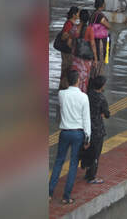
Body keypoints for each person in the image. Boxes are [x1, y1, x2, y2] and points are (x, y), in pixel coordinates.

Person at [50, 69, 89, 204]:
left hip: (65, 132)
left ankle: (49, 193)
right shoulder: (84, 97)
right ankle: (66, 197)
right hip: (78, 133)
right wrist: (87, 137)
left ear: (67, 81)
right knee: (73, 165)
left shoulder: (61, 94)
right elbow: (86, 120)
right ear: (78, 81)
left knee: (59, 161)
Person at [79, 75, 110, 185]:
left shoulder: (88, 95)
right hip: (97, 129)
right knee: (96, 153)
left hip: (86, 127)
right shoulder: (101, 98)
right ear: (101, 86)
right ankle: (91, 176)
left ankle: (87, 170)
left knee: (89, 150)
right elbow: (107, 114)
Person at [71, 9, 96, 92]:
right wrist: (95, 58)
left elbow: (71, 42)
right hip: (86, 58)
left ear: (80, 18)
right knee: (84, 79)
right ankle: (82, 95)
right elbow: (92, 44)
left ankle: (74, 94)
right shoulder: (89, 29)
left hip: (76, 56)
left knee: (75, 77)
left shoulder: (74, 28)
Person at [57, 7, 80, 90]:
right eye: (78, 13)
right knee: (66, 69)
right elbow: (63, 37)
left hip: (68, 50)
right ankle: (63, 87)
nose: (79, 15)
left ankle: (64, 86)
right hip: (66, 51)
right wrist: (72, 31)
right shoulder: (69, 24)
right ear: (74, 15)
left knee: (67, 69)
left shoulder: (71, 23)